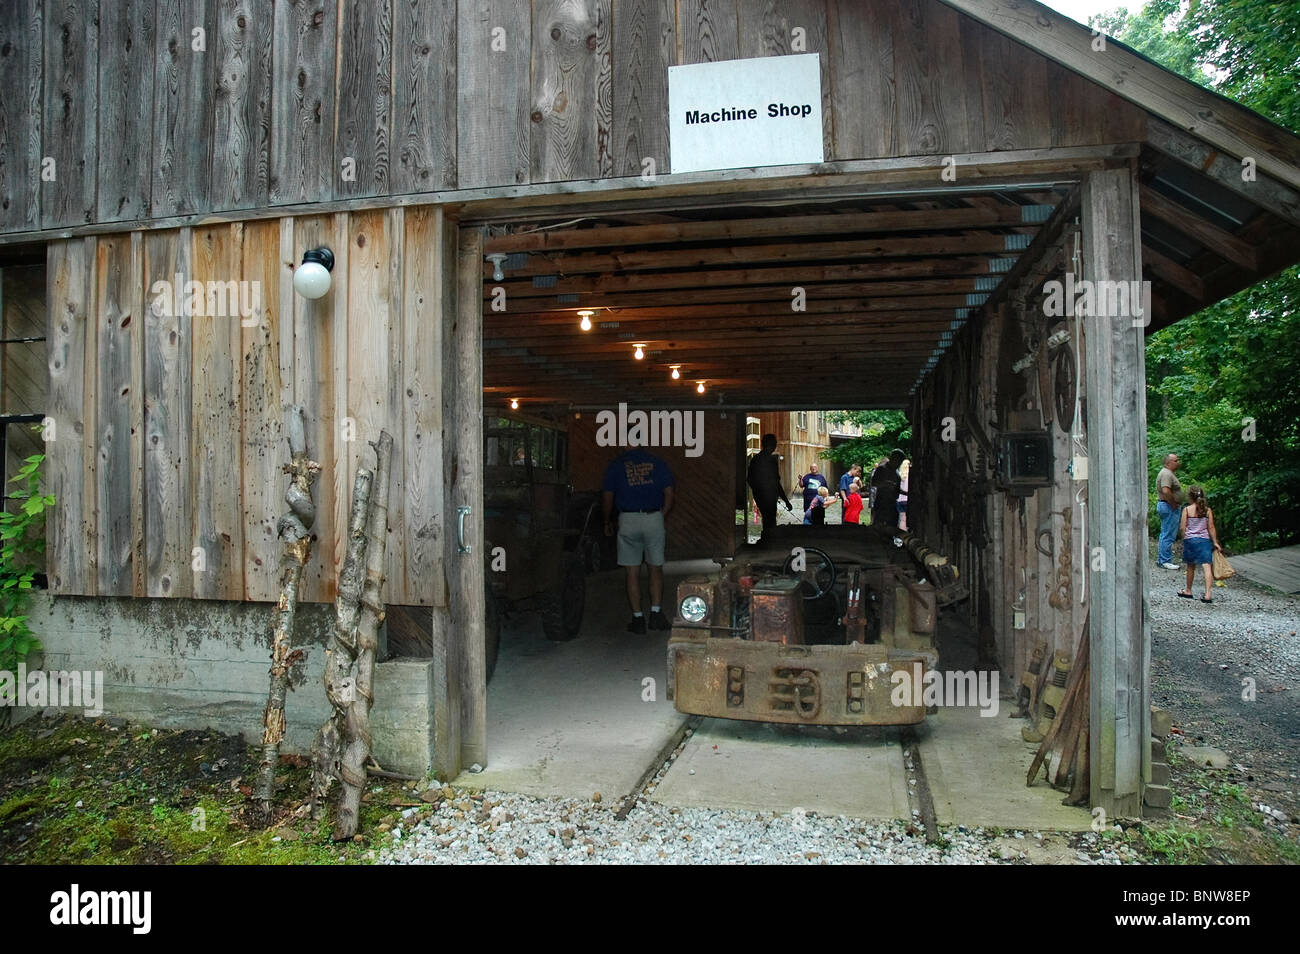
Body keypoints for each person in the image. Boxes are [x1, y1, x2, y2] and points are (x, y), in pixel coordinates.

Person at [602, 445, 676, 634]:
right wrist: (662, 514)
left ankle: (637, 619)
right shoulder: (658, 463)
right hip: (653, 517)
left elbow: (608, 497)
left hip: (628, 519)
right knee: (655, 568)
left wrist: (606, 520)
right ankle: (656, 614)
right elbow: (669, 493)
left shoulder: (616, 465)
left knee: (632, 572)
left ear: (626, 443)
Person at [1177, 486, 1222, 603]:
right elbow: (1211, 527)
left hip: (1190, 540)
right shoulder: (1207, 511)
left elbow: (1182, 527)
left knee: (1190, 566)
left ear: (1190, 497)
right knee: (1207, 566)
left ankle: (1188, 590)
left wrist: (1184, 537)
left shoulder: (1186, 510)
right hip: (1204, 541)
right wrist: (1215, 542)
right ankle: (1207, 594)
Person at [746, 433, 791, 540]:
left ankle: (767, 540)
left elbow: (749, 480)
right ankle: (769, 542)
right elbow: (776, 483)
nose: (775, 446)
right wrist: (786, 501)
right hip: (769, 497)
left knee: (767, 521)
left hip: (761, 497)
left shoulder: (755, 460)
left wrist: (757, 493)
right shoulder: (771, 461)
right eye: (775, 444)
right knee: (770, 522)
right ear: (771, 445)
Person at [1155, 452, 1184, 570]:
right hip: (1168, 506)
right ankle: (1164, 560)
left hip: (1168, 505)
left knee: (1167, 533)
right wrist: (1173, 504)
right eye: (1175, 461)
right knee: (1168, 534)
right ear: (1168, 463)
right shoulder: (1166, 474)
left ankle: (1164, 559)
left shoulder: (1168, 473)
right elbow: (1166, 491)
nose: (1178, 462)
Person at [870, 449, 905, 529]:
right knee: (879, 527)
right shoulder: (881, 469)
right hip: (881, 503)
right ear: (893, 458)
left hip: (892, 504)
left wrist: (905, 493)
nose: (899, 464)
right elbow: (874, 483)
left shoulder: (896, 473)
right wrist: (886, 484)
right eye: (898, 461)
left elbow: (896, 489)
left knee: (892, 527)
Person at [896, 459, 911, 532]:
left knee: (902, 519)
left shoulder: (899, 475)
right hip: (908, 499)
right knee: (909, 519)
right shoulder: (910, 476)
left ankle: (902, 536)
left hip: (900, 499)